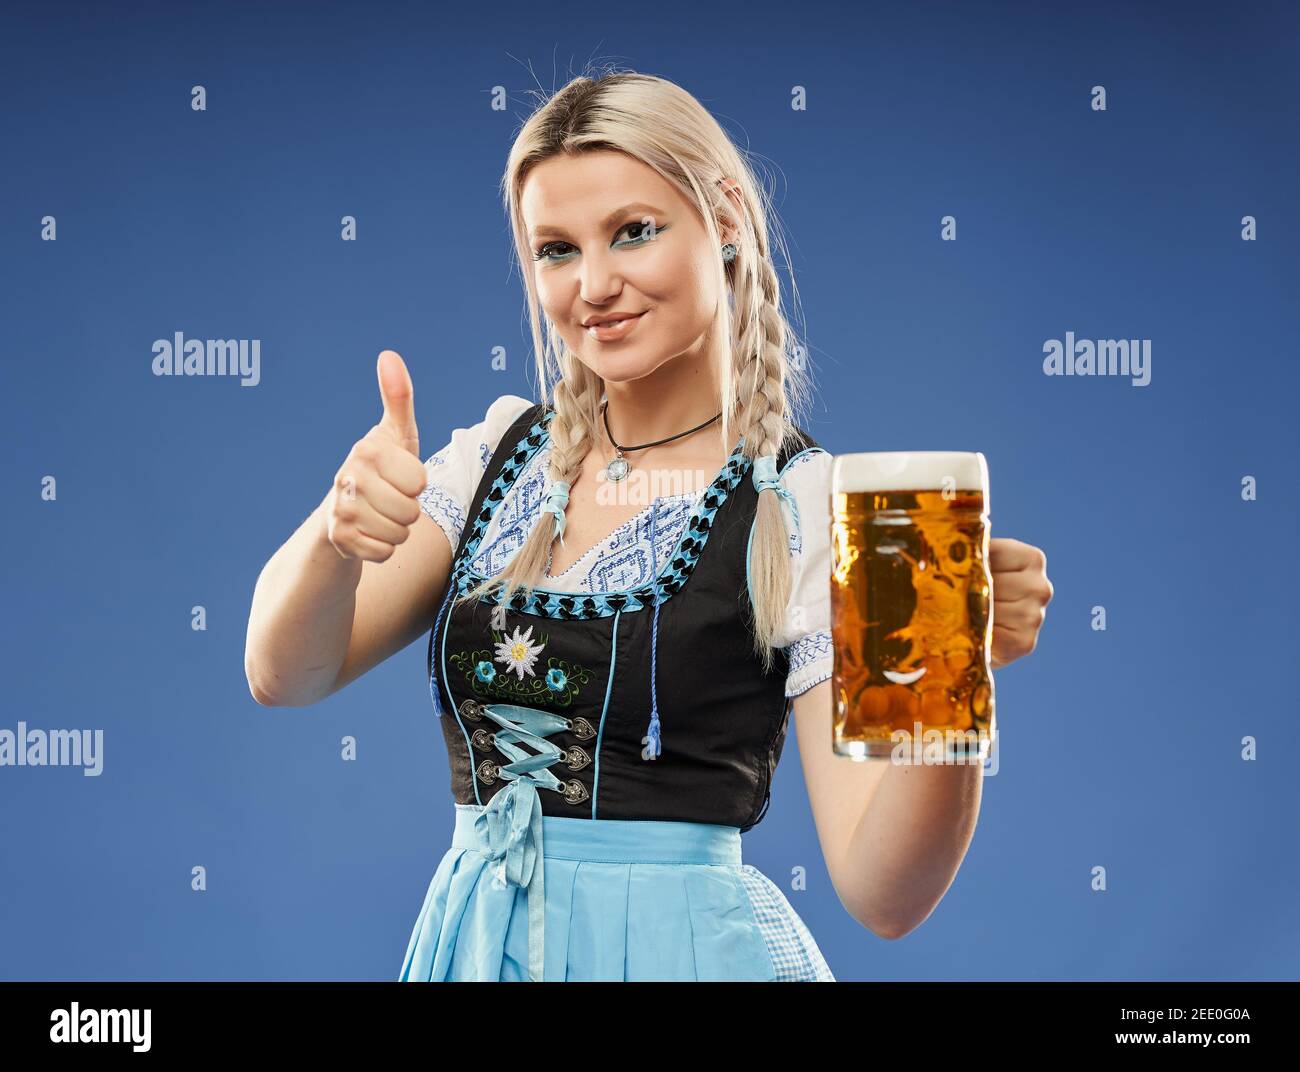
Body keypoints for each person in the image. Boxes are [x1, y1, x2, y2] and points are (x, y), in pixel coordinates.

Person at [244, 68, 1053, 982]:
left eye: (633, 232)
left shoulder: (809, 507)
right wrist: (336, 534)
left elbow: (884, 895)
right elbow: (284, 673)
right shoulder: (490, 459)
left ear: (729, 219)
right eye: (555, 248)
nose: (593, 284)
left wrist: (950, 678)